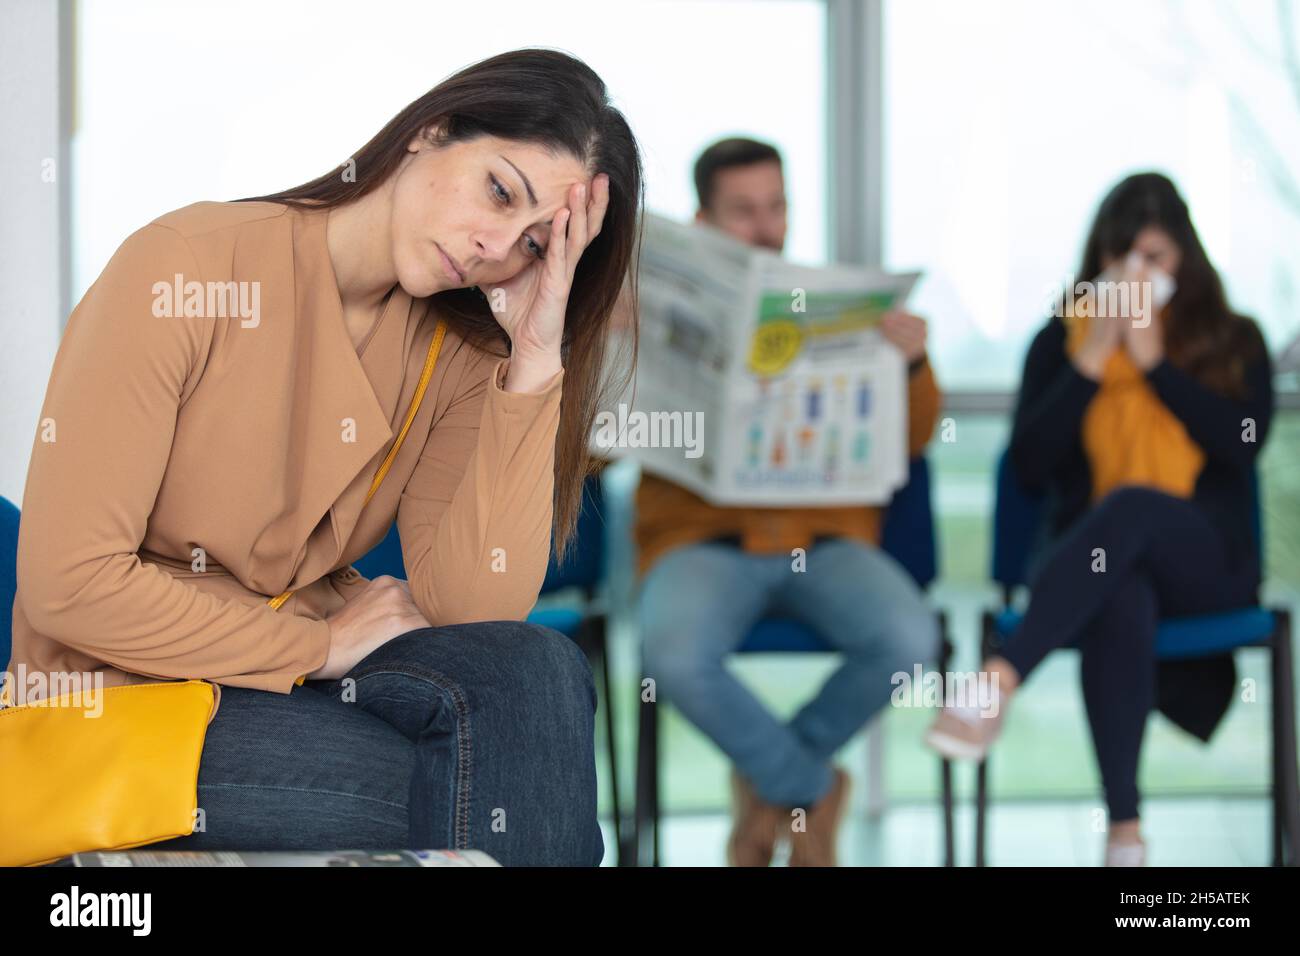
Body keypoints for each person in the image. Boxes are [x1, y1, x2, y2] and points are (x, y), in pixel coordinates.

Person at [4, 49, 644, 867]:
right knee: (497, 790)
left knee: (538, 667)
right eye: (498, 189)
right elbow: (69, 587)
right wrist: (317, 648)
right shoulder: (186, 267)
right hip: (123, 704)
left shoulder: (455, 351)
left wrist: (533, 359)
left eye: (532, 243)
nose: (494, 246)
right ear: (432, 130)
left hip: (304, 685)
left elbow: (473, 609)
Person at [925, 172, 1274, 867]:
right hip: (1099, 570)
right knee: (1120, 588)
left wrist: (1152, 364)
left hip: (1208, 562)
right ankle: (1125, 836)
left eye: (1155, 260)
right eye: (1124, 262)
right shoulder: (1061, 341)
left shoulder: (1234, 338)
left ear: (1185, 260)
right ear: (1100, 265)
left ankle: (997, 680)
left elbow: (1243, 443)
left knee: (1134, 507)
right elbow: (1027, 467)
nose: (1139, 277)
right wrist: (1091, 358)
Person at [636, 137, 943, 866]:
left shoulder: (844, 304)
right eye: (743, 211)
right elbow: (586, 456)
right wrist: (612, 356)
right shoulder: (647, 310)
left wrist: (915, 361)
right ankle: (810, 786)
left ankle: (766, 789)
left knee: (909, 642)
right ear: (702, 220)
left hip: (827, 539)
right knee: (670, 656)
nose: (766, 226)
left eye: (776, 206)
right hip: (699, 541)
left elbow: (918, 438)